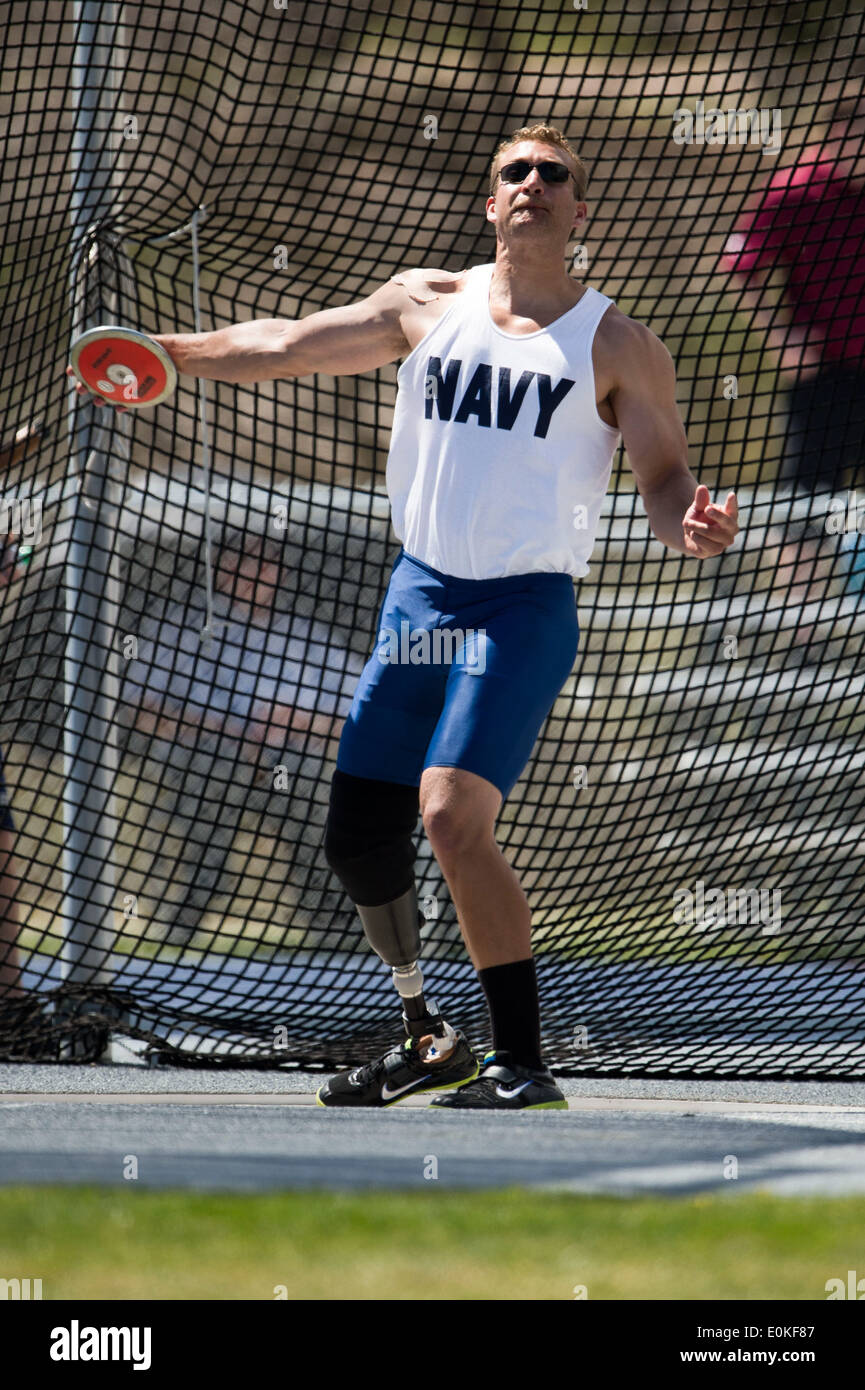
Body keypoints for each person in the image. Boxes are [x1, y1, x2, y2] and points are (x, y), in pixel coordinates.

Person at [68, 123, 740, 1108]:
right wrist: (173, 353)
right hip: (420, 597)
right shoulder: (425, 301)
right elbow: (287, 345)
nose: (534, 185)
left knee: (450, 814)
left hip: (520, 607)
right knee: (358, 838)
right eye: (515, 171)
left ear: (580, 209)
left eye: (555, 176)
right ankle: (430, 1037)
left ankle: (521, 1061)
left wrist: (691, 522)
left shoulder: (619, 343)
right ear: (490, 200)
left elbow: (666, 476)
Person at [118, 538, 364, 945]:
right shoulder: (177, 626)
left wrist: (298, 723)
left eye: (264, 564)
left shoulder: (307, 638)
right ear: (218, 567)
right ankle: (175, 930)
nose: (252, 574)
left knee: (317, 822)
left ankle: (338, 933)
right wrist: (213, 729)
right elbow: (138, 708)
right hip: (203, 766)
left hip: (288, 769)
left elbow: (356, 717)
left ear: (280, 572)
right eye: (240, 561)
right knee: (205, 815)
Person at [719, 96, 865, 495]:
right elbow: (740, 266)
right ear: (839, 133)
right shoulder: (796, 189)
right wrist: (780, 337)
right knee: (808, 506)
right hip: (825, 375)